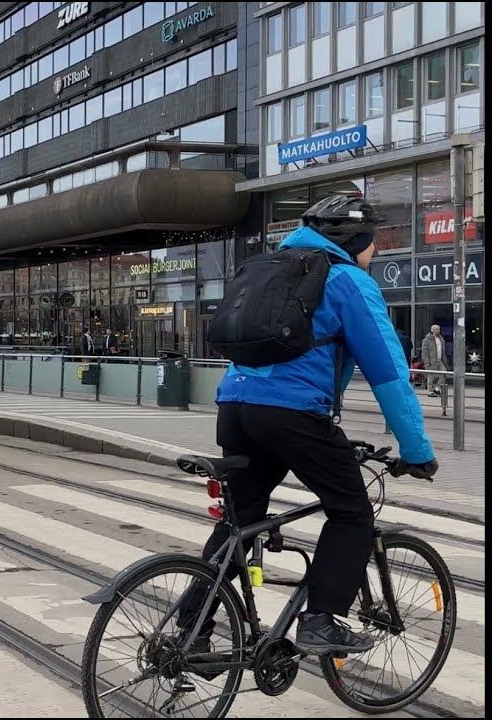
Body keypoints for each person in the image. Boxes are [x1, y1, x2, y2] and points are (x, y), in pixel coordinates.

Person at [185, 194, 439, 657]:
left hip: (235, 405)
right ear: (356, 239)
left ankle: (190, 633)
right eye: (373, 240)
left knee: (243, 519)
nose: (376, 250)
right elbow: (389, 375)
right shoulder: (348, 281)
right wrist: (418, 450)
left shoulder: (272, 268)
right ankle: (321, 620)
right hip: (293, 413)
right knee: (352, 513)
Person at [421, 324, 447, 397]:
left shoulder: (441, 339)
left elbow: (442, 350)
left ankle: (437, 388)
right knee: (431, 376)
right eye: (436, 329)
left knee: (444, 373)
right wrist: (426, 362)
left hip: (439, 360)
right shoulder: (426, 340)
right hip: (431, 360)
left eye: (439, 329)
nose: (438, 331)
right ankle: (430, 391)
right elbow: (424, 352)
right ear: (432, 330)